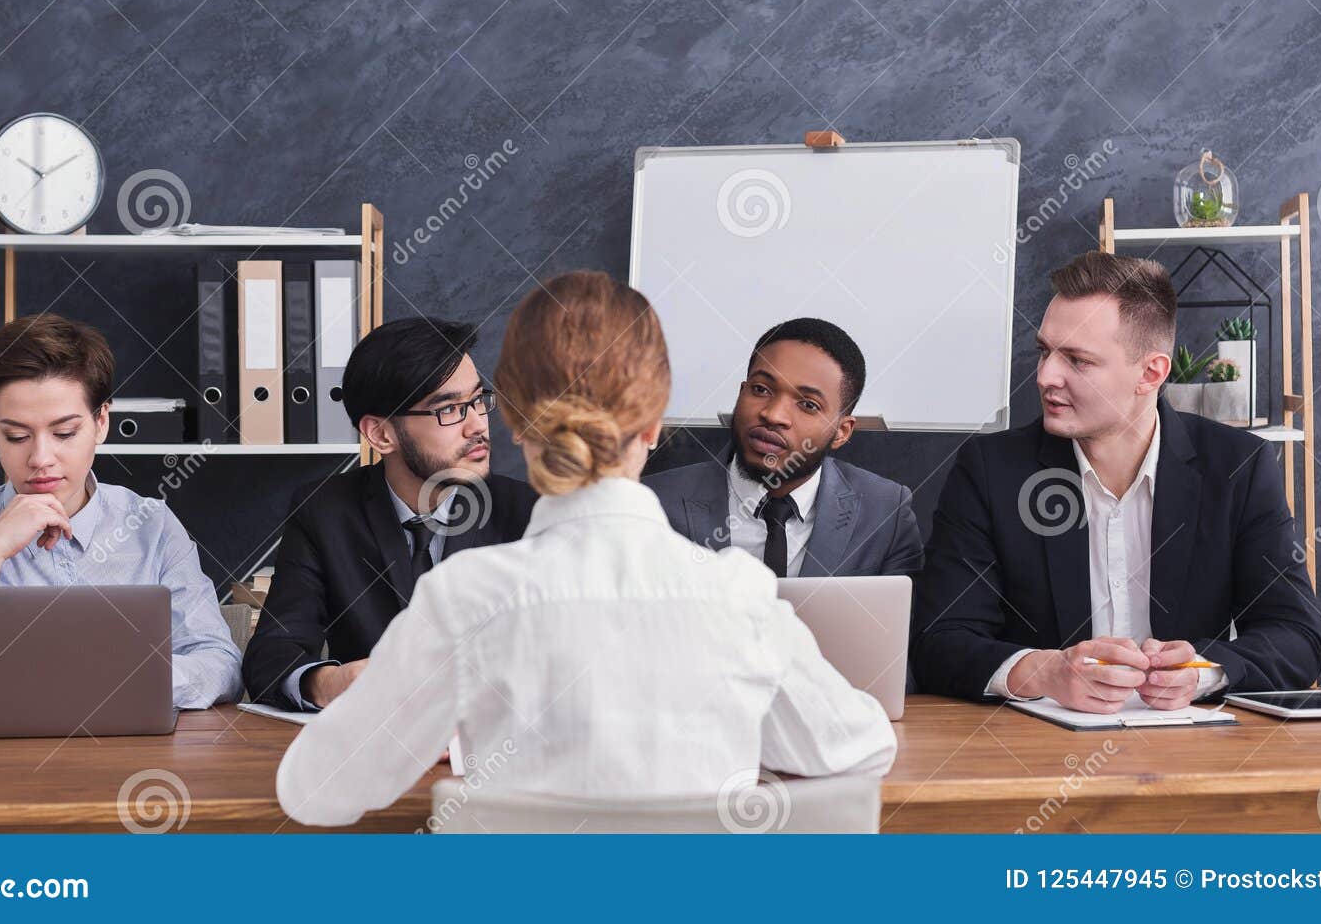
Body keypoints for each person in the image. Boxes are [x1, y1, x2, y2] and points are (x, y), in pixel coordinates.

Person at [276, 271, 896, 827]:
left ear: (516, 424)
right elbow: (863, 746)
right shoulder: (739, 598)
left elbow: (312, 793)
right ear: (654, 427)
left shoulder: (464, 599)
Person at [912, 252, 1321, 711]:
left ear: (1151, 373)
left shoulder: (1238, 466)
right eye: (1044, 351)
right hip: (1036, 755)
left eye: (1077, 360)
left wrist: (1202, 673)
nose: (1047, 376)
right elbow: (939, 640)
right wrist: (1045, 671)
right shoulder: (990, 469)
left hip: (1189, 753)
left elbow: (1299, 636)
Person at [0, 314, 242, 720]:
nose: (41, 459)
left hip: (129, 764)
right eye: (17, 436)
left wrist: (116, 679)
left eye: (64, 433)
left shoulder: (152, 526)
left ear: (100, 423)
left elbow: (219, 661)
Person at [241, 317, 537, 710]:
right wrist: (330, 683)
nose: (477, 426)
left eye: (477, 401)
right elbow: (272, 654)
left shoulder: (529, 513)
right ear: (381, 434)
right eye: (449, 409)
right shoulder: (324, 511)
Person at [645, 318, 922, 579]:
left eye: (808, 405)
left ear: (842, 431)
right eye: (761, 389)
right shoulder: (653, 502)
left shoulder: (885, 514)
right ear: (741, 392)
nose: (774, 415)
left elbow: (896, 627)